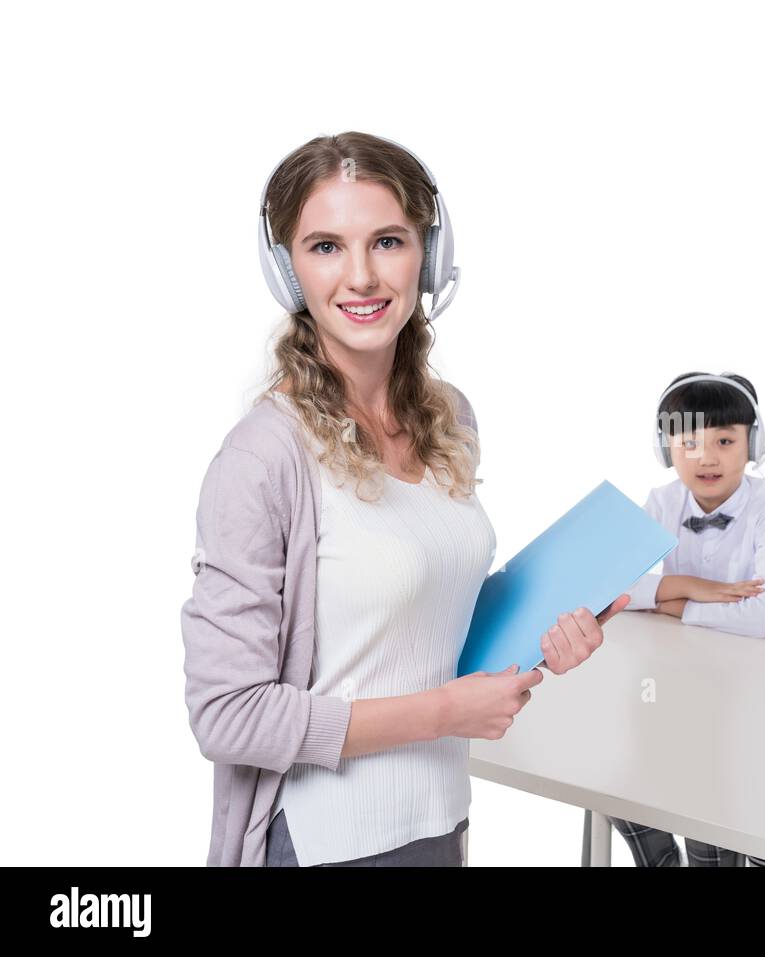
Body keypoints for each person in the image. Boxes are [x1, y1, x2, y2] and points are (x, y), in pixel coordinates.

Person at [181, 131, 628, 867]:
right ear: (287, 270)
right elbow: (228, 715)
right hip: (328, 844)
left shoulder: (448, 418)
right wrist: (444, 713)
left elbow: (420, 618)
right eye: (326, 247)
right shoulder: (263, 458)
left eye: (387, 241)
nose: (360, 276)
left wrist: (546, 630)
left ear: (430, 255)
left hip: (438, 821)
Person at [613, 371, 765, 866]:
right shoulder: (662, 501)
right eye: (689, 443)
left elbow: (763, 617)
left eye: (725, 441)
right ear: (666, 449)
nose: (706, 458)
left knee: (713, 816)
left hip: (748, 689)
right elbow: (612, 587)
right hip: (674, 678)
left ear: (752, 444)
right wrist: (689, 585)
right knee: (620, 785)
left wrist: (672, 604)